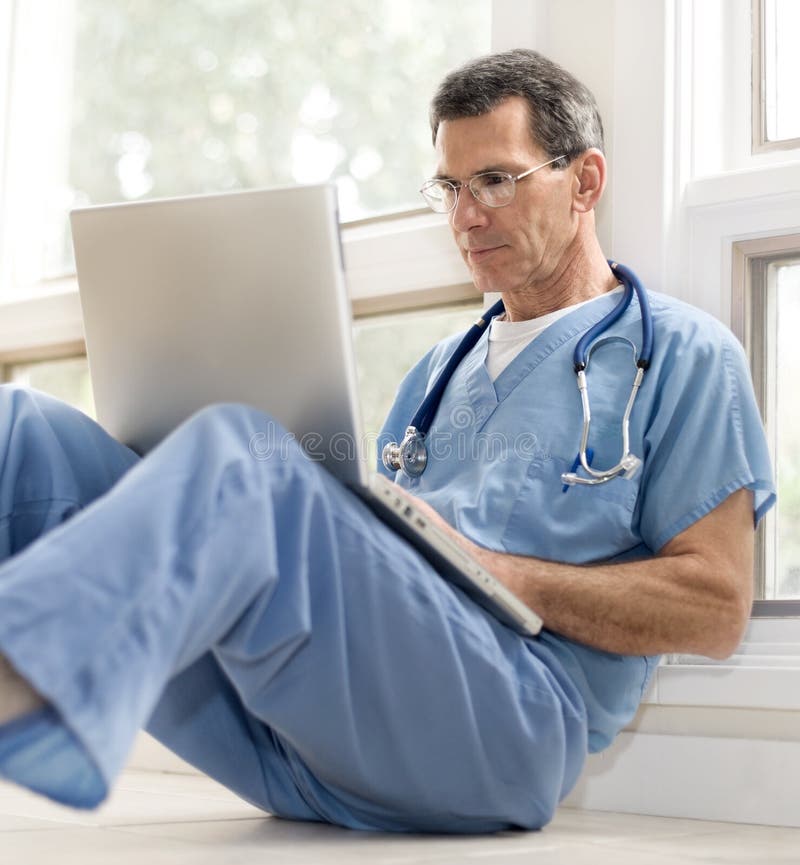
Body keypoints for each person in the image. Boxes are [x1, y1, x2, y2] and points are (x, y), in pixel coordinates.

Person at [0, 48, 774, 834]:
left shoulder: (683, 355)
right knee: (20, 433)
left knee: (243, 451)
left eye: (497, 180)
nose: (466, 216)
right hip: (311, 736)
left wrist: (493, 572)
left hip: (504, 728)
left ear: (585, 180)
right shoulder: (435, 375)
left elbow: (716, 609)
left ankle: (25, 665)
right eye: (450, 187)